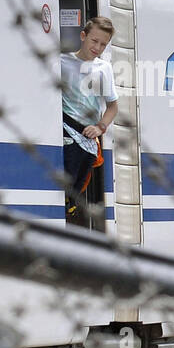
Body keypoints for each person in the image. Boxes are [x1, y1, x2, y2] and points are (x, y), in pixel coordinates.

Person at [61, 16, 118, 223]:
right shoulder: (61, 62)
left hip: (88, 140)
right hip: (67, 132)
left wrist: (100, 127)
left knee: (75, 194)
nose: (98, 47)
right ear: (83, 36)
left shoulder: (104, 69)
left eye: (103, 44)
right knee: (63, 191)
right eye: (94, 41)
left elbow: (113, 107)